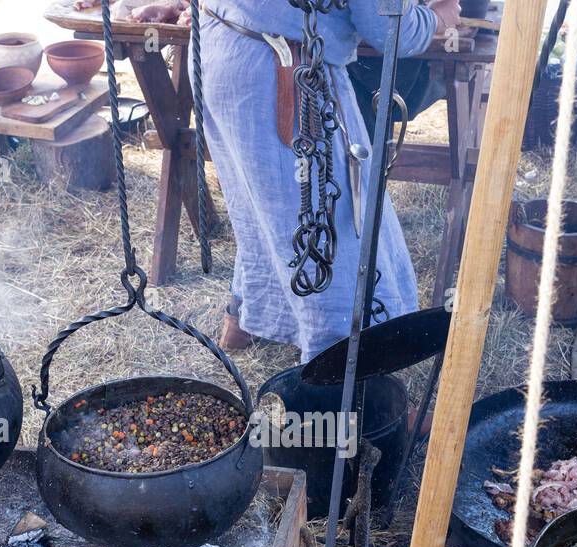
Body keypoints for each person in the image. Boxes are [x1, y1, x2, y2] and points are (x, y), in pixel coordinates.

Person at [197, 1, 462, 361]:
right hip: (279, 72)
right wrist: (437, 20)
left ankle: (242, 317)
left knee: (267, 211)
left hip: (222, 46)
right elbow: (388, 27)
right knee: (332, 232)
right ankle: (334, 377)